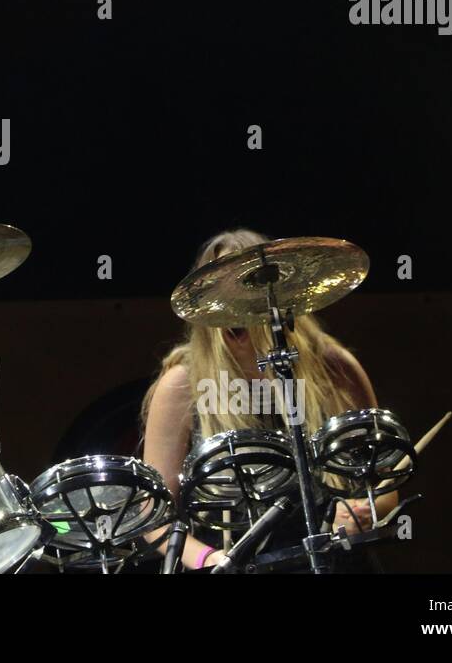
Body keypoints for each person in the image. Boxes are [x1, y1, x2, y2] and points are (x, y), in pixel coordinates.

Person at [139, 228, 398, 571]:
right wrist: (206, 558)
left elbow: (386, 482)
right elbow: (153, 514)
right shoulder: (183, 382)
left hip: (333, 561)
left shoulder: (333, 367)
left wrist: (361, 510)